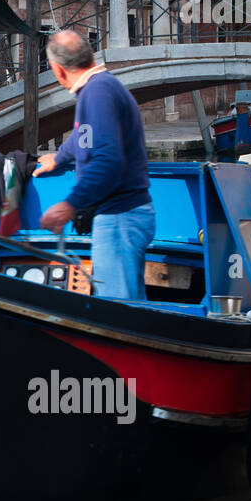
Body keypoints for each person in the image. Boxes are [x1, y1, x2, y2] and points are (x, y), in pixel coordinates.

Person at [34, 29, 155, 300]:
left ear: (57, 69)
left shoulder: (96, 94)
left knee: (118, 311)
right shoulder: (102, 86)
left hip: (119, 217)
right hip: (129, 214)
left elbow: (108, 161)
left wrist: (69, 205)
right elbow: (84, 136)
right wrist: (59, 157)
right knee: (132, 306)